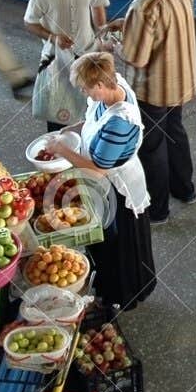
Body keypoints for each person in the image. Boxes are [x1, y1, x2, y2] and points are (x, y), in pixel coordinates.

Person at [45, 52, 155, 310]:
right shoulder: (112, 85)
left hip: (118, 189)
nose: (84, 93)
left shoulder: (120, 122)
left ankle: (122, 296)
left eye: (86, 88)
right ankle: (108, 284)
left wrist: (62, 150)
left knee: (119, 245)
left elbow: (98, 168)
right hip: (104, 185)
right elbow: (93, 119)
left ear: (101, 85)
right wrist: (70, 130)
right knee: (105, 240)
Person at [111, 0, 196, 225]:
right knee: (177, 132)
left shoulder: (143, 5)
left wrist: (113, 45)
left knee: (153, 146)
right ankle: (185, 190)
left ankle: (158, 211)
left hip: (155, 88)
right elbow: (167, 24)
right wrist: (129, 26)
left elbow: (136, 57)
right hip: (182, 78)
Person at [24, 0, 109, 129]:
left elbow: (99, 16)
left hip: (88, 56)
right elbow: (30, 23)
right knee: (57, 114)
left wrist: (104, 41)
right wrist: (54, 38)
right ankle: (57, 154)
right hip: (57, 61)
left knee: (93, 113)